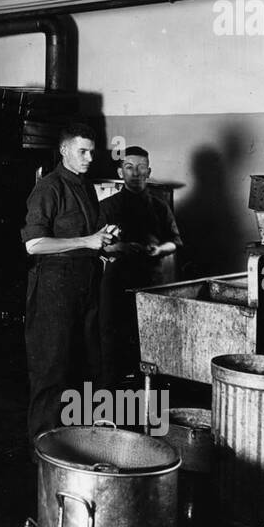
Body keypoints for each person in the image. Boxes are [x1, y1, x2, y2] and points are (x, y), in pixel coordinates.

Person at [21, 121, 117, 460]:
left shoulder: (86, 188)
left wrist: (103, 237)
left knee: (86, 366)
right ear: (64, 150)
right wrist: (85, 241)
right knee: (52, 369)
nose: (90, 158)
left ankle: (75, 445)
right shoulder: (49, 188)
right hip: (54, 287)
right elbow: (34, 244)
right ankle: (43, 452)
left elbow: (89, 237)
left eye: (92, 151)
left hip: (86, 285)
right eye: (83, 151)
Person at [99, 145, 182, 383]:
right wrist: (118, 248)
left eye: (141, 168)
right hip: (116, 283)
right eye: (129, 167)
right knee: (115, 340)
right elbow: (97, 246)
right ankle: (115, 396)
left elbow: (175, 242)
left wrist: (159, 249)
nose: (135, 173)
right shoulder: (107, 207)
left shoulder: (159, 206)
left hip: (151, 281)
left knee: (149, 338)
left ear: (148, 171)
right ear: (120, 172)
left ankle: (147, 395)